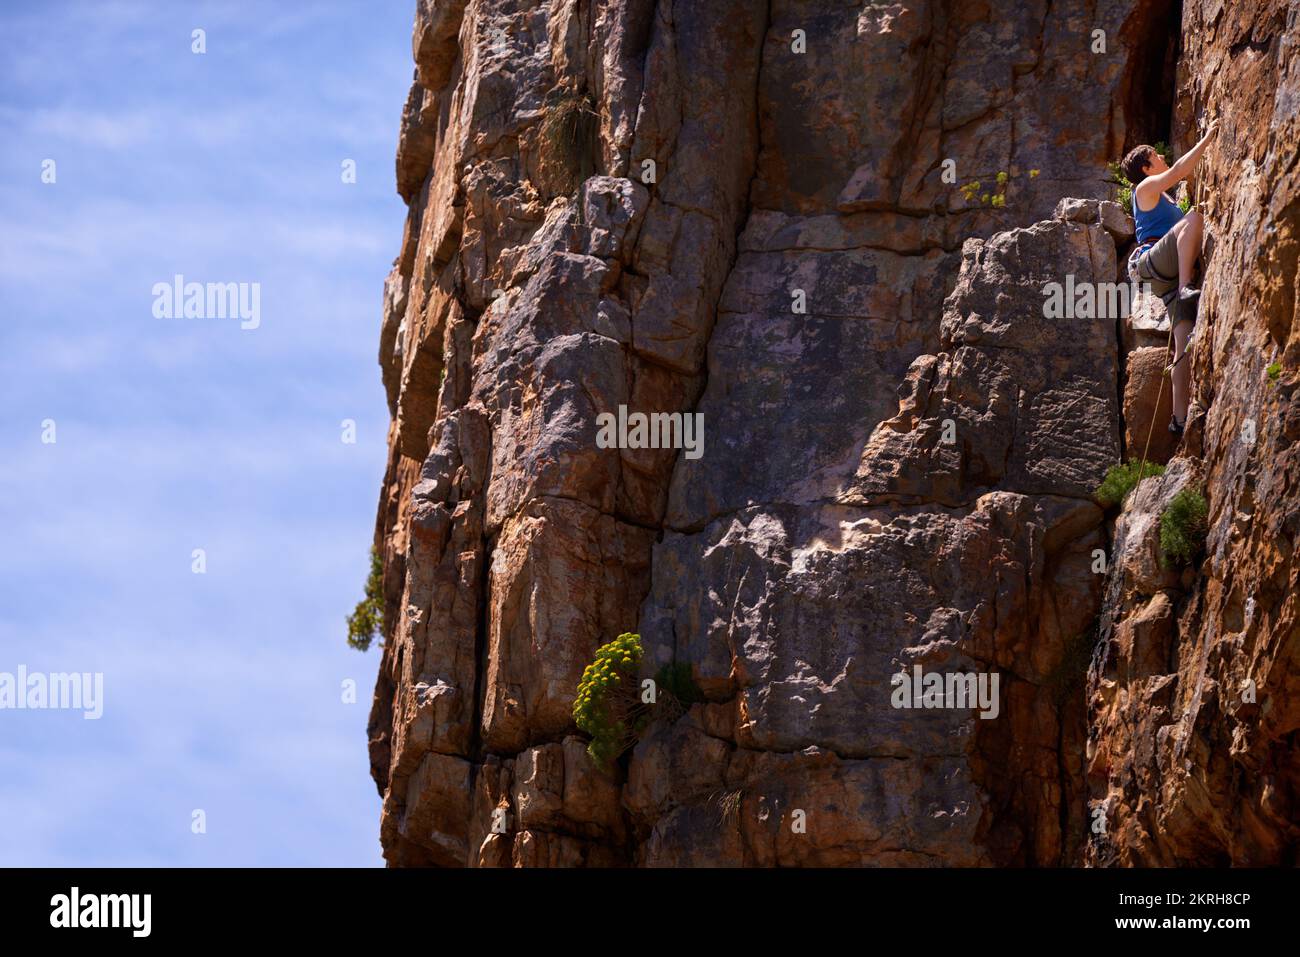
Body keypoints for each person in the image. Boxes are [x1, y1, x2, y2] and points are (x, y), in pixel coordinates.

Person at [1122, 120, 1218, 435]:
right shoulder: (1145, 188)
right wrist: (1207, 139)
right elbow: (1178, 170)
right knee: (1194, 218)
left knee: (1184, 342)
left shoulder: (1165, 199)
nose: (1162, 158)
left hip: (1160, 269)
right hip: (1151, 263)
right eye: (1156, 157)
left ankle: (1179, 419)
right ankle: (1186, 286)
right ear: (1147, 167)